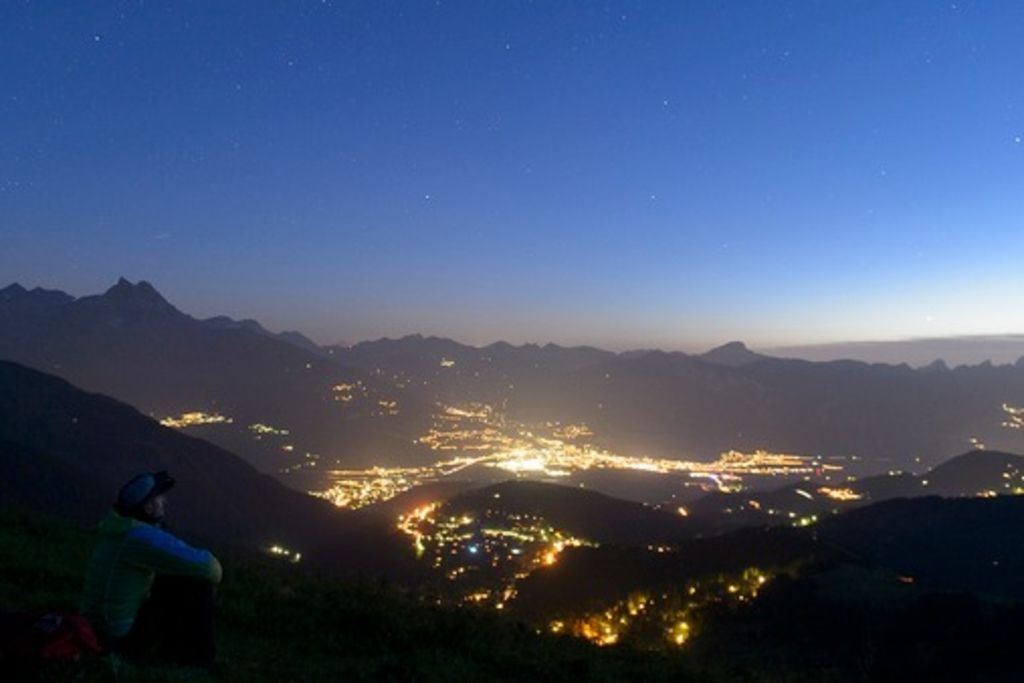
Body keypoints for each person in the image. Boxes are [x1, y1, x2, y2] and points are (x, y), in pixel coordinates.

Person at [80, 471, 221, 668]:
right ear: (148, 507)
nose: (164, 502)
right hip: (116, 638)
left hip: (99, 628)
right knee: (199, 585)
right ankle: (199, 661)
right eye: (159, 498)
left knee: (172, 577)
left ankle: (179, 652)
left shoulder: (117, 528)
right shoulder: (139, 536)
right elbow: (211, 568)